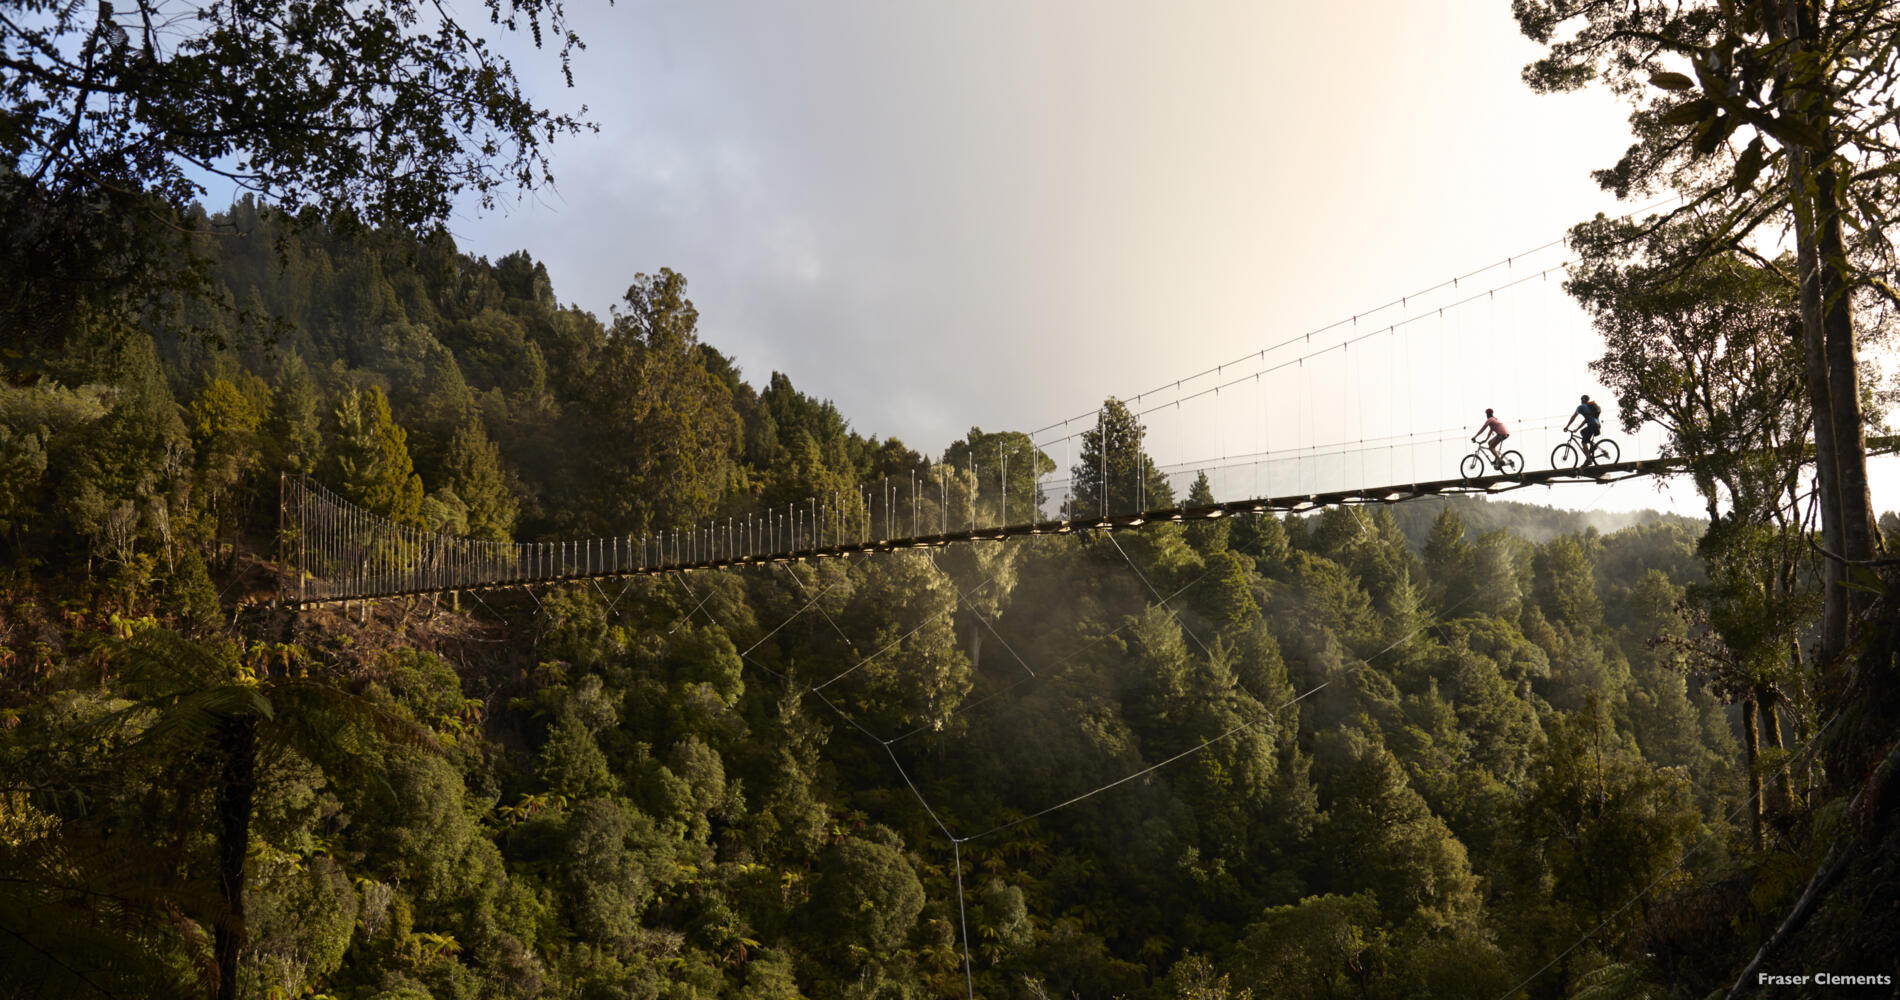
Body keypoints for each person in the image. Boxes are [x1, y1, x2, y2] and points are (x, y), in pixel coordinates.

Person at [1565, 394, 1603, 464]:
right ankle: (1592, 446)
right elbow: (1586, 420)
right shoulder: (1589, 408)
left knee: (1583, 442)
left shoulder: (1581, 407)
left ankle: (1588, 460)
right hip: (1597, 425)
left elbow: (1574, 417)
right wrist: (1577, 429)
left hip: (1592, 425)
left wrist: (1567, 426)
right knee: (1582, 432)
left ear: (1582, 400)